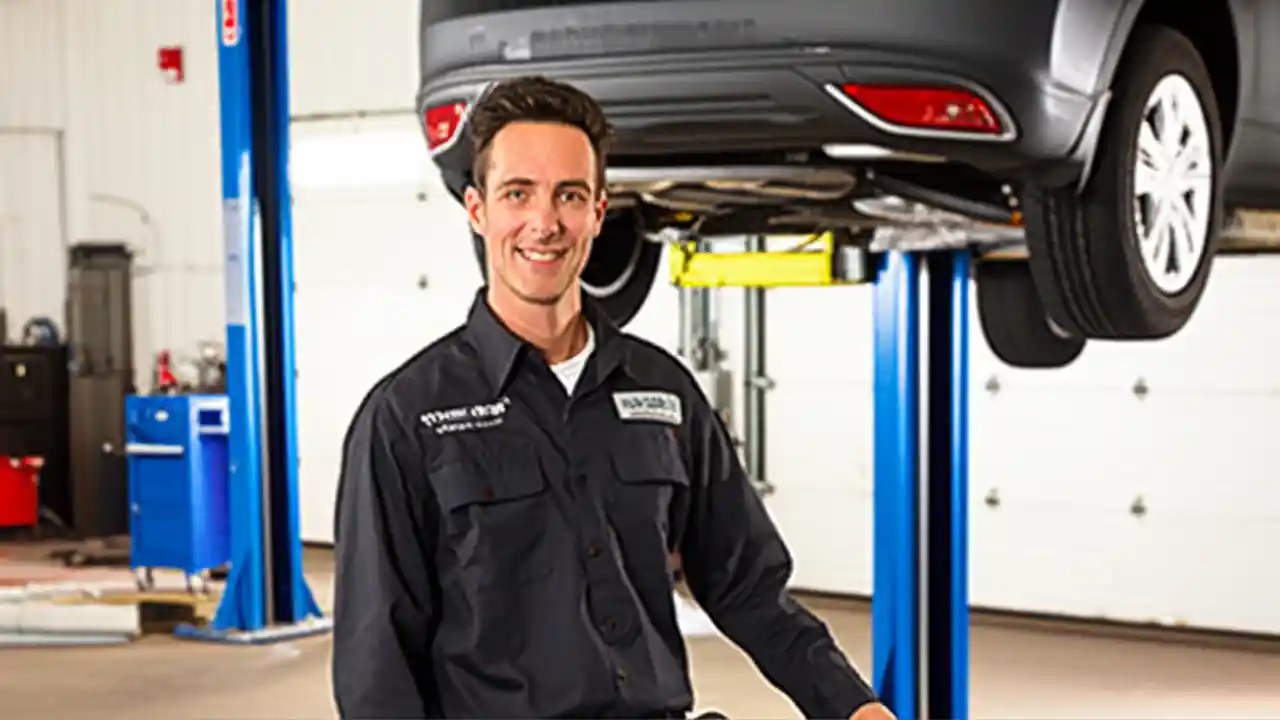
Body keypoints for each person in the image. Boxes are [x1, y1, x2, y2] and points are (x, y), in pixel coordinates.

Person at [330, 75, 895, 720]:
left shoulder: (663, 391)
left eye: (569, 195)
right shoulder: (405, 419)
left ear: (599, 211)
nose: (544, 223)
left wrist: (853, 707)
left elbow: (747, 586)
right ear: (478, 210)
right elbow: (377, 669)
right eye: (519, 194)